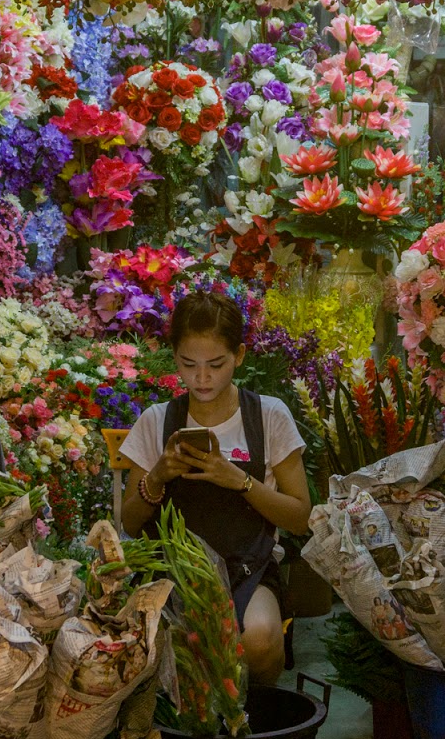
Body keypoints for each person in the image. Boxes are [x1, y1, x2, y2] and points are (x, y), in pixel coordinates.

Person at [119, 289, 312, 686]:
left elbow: (299, 518)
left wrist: (239, 481)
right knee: (161, 647)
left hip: (248, 568)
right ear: (175, 357)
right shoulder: (156, 421)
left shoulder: (268, 416)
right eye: (188, 364)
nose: (202, 378)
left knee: (258, 639)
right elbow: (131, 524)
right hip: (172, 570)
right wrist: (157, 477)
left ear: (239, 355)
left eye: (216, 364)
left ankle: (254, 714)